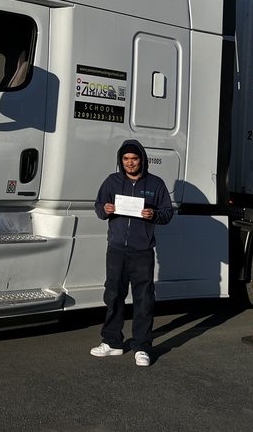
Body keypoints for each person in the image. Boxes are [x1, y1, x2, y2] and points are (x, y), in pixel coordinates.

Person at [90, 139, 173, 367]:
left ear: (142, 160)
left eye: (134, 159)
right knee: (113, 295)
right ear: (121, 160)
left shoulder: (155, 184)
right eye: (126, 159)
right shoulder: (112, 181)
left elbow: (167, 213)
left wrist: (153, 215)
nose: (130, 163)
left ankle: (142, 346)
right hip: (116, 248)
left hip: (142, 251)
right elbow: (99, 205)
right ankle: (112, 342)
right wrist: (104, 210)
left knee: (143, 299)